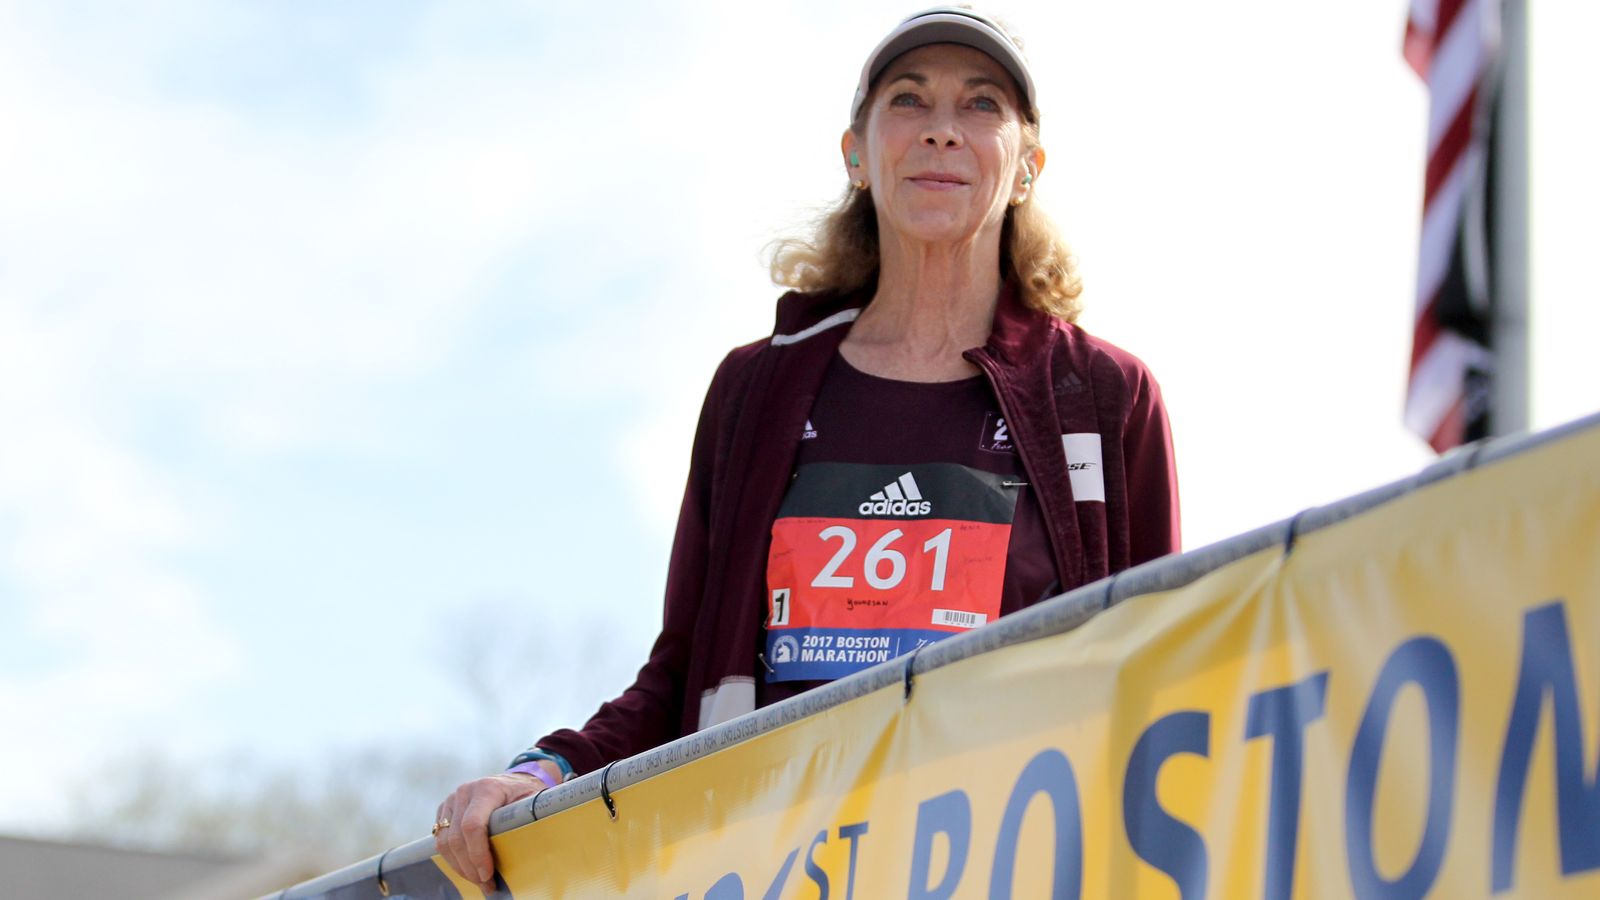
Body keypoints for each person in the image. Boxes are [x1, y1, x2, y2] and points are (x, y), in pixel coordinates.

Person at [433, 7, 1180, 891]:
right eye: (909, 99)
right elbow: (681, 680)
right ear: (858, 155)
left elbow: (1157, 673)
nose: (943, 126)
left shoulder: (1102, 398)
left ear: (1027, 167)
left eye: (982, 105)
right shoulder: (758, 392)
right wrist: (540, 775)